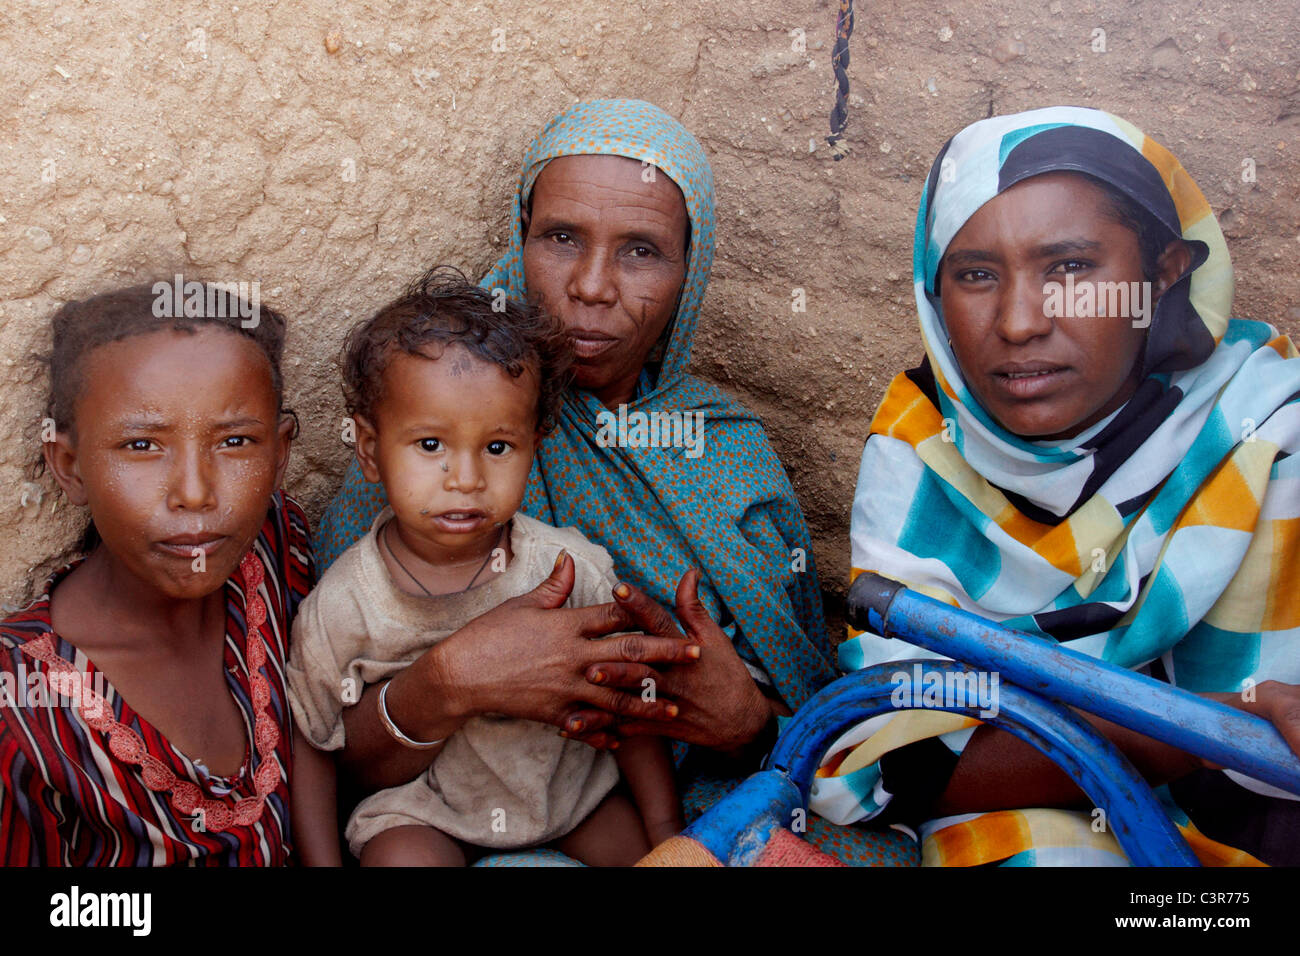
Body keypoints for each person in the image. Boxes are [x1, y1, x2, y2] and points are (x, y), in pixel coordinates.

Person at [314, 100, 905, 863]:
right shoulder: (426, 436)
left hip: (672, 811)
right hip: (448, 820)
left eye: (641, 251)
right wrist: (454, 678)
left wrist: (750, 724)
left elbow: (816, 721)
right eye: (561, 238)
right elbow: (336, 756)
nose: (593, 286)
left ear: (690, 273)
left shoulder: (726, 452)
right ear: (520, 239)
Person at [812, 106, 1300, 866]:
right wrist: (1204, 729)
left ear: (1162, 273)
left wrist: (1213, 734)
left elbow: (1279, 768)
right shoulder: (924, 442)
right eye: (975, 275)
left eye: (1070, 267)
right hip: (1044, 816)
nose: (1016, 324)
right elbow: (890, 765)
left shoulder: (1267, 431)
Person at [289, 269, 681, 866]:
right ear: (370, 451)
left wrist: (668, 832)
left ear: (534, 444)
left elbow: (630, 707)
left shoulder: (568, 569)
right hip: (422, 813)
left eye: (497, 447)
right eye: (430, 446)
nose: (466, 480)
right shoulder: (345, 604)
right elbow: (313, 742)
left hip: (568, 799)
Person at [0, 282, 312, 865]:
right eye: (142, 445)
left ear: (280, 453)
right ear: (68, 467)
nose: (194, 493)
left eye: (236, 441)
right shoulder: (23, 716)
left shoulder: (273, 553)